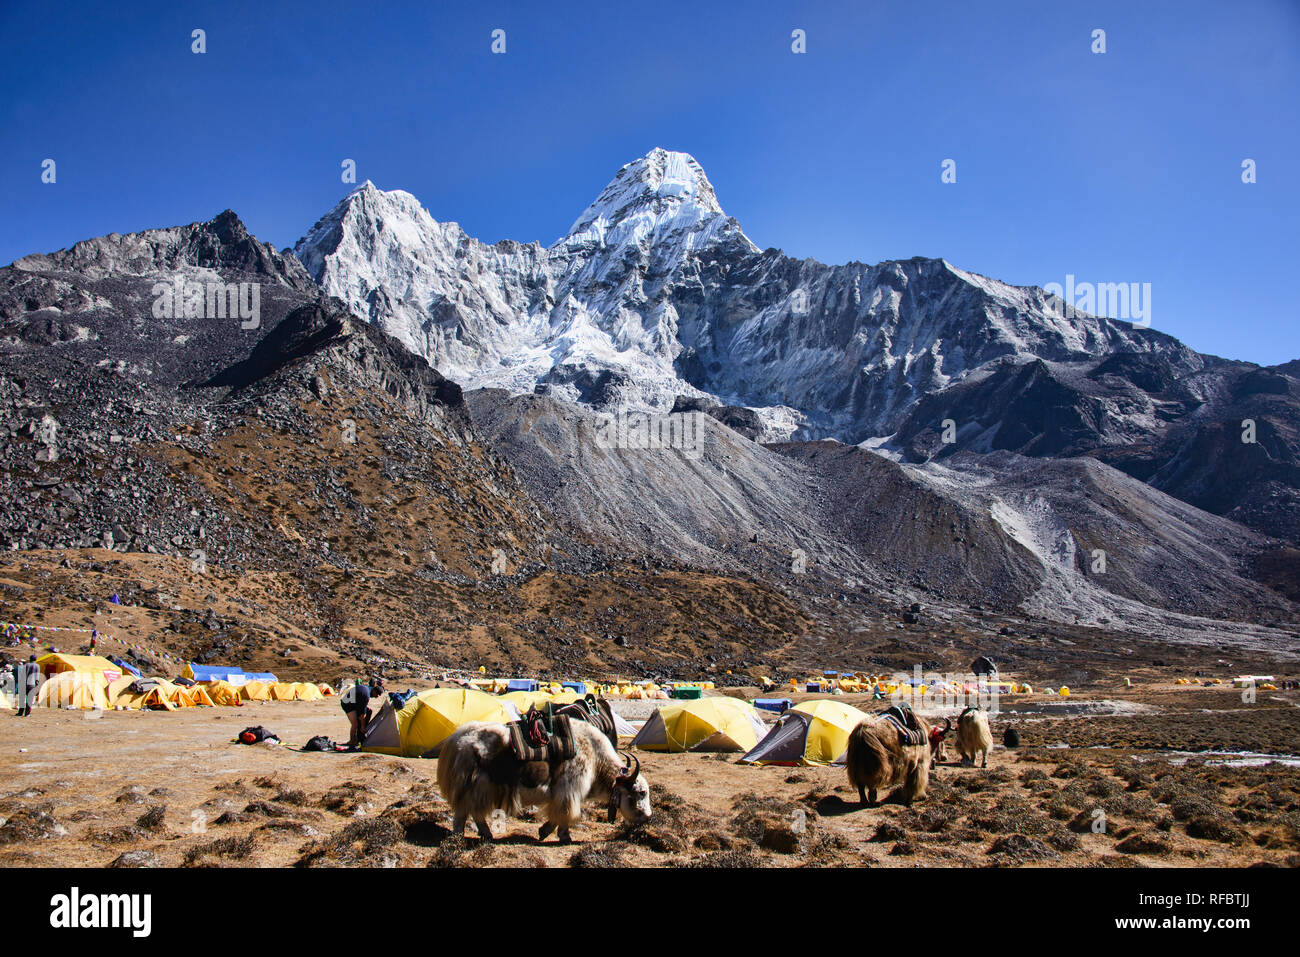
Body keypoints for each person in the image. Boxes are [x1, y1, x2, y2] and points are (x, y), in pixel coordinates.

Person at [340, 677, 384, 748]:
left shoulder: (367, 688)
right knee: (355, 724)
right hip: (347, 704)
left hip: (355, 702)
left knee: (369, 711)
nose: (377, 697)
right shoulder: (366, 696)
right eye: (377, 695)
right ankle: (352, 741)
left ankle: (359, 737)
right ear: (374, 691)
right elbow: (362, 715)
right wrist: (363, 727)